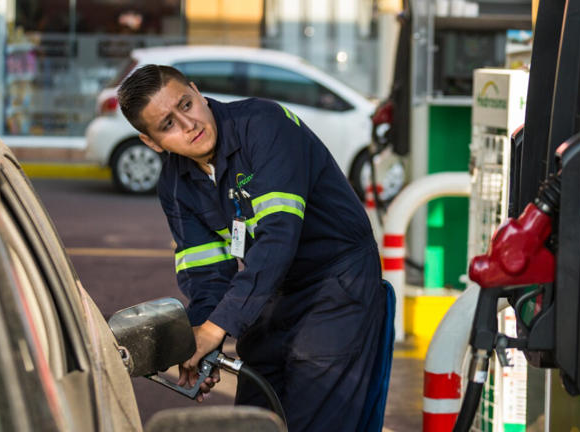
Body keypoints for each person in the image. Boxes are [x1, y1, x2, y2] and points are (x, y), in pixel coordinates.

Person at [118, 64, 393, 431]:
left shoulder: (264, 124)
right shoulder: (175, 182)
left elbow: (278, 236)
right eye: (167, 124)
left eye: (186, 104)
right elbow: (205, 272)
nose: (188, 125)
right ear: (152, 143)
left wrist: (216, 329)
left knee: (315, 419)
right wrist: (202, 341)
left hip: (336, 285)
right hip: (270, 293)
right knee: (255, 416)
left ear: (197, 92)